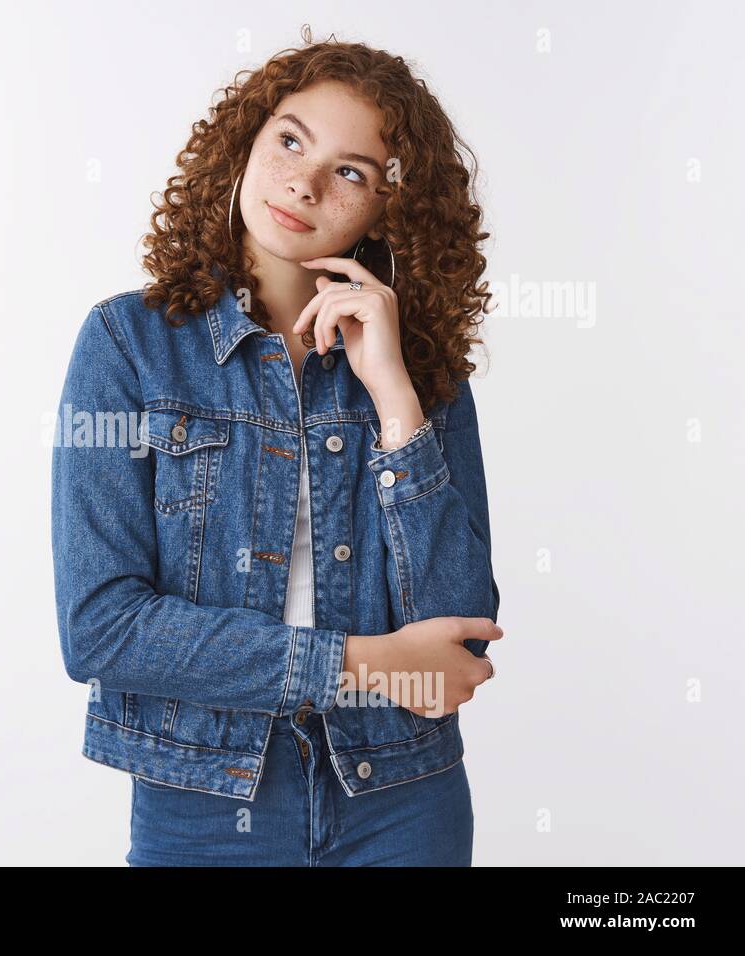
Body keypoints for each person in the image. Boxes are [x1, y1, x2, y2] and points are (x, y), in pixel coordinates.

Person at [50, 27, 504, 866]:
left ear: (386, 210)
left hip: (402, 802)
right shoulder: (129, 345)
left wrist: (395, 397)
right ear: (246, 143)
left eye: (351, 172)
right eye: (290, 140)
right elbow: (102, 630)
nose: (304, 180)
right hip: (205, 802)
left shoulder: (416, 369)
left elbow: (461, 644)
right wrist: (364, 663)